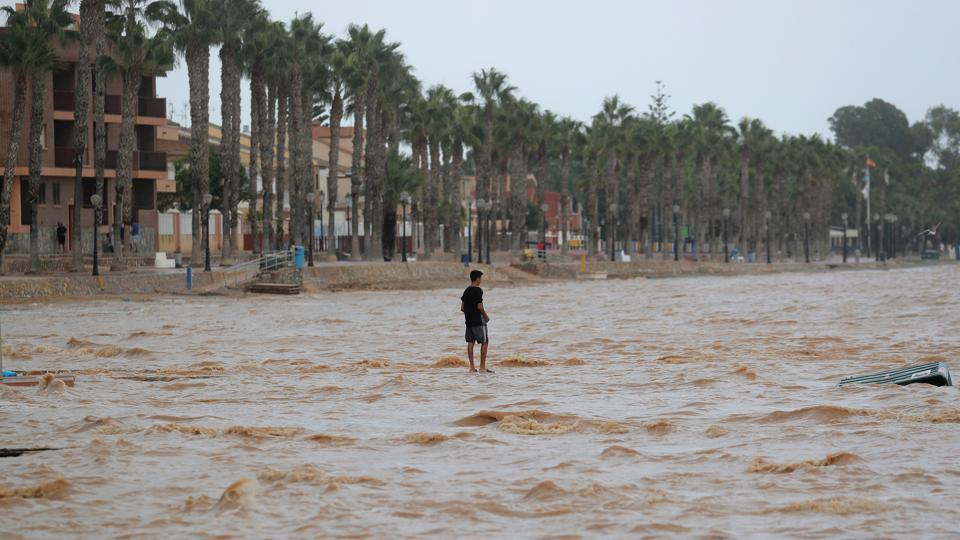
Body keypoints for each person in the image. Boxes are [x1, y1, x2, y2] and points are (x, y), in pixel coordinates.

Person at [460, 270, 492, 374]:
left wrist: (470, 313)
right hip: (478, 321)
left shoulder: (466, 290)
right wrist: (486, 316)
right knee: (485, 342)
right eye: (480, 278)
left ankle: (472, 368)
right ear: (477, 278)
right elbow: (480, 307)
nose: (480, 280)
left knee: (470, 342)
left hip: (468, 321)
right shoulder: (478, 290)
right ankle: (482, 368)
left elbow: (462, 308)